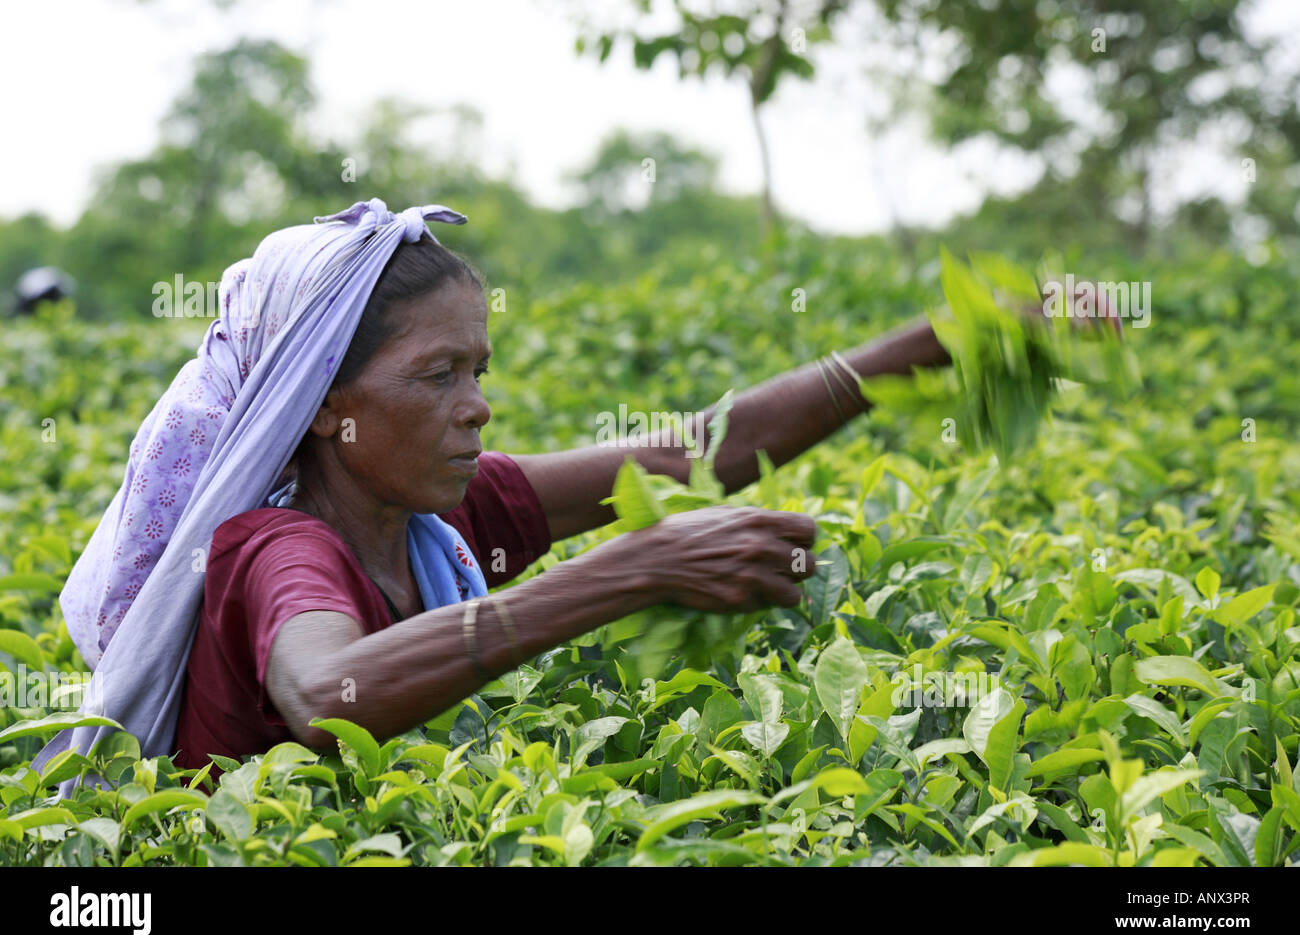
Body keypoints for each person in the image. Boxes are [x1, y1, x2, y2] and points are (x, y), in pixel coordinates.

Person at [34, 197, 958, 790]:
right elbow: (329, 690)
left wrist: (941, 341)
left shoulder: (435, 520)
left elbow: (704, 451)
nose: (477, 408)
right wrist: (622, 573)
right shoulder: (280, 550)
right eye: (437, 376)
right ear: (324, 408)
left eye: (478, 369)